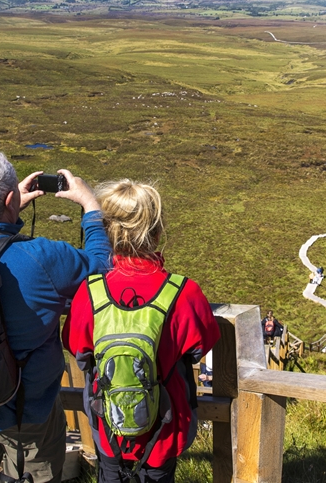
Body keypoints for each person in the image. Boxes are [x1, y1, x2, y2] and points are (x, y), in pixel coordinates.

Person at [0, 149, 112, 483]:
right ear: (9, 196)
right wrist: (91, 208)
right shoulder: (44, 258)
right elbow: (103, 270)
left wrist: (6, 209)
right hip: (26, 412)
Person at [63, 179, 219, 483]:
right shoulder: (184, 292)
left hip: (108, 429)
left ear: (108, 232)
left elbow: (79, 351)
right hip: (164, 428)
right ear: (157, 232)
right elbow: (201, 347)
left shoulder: (89, 293)